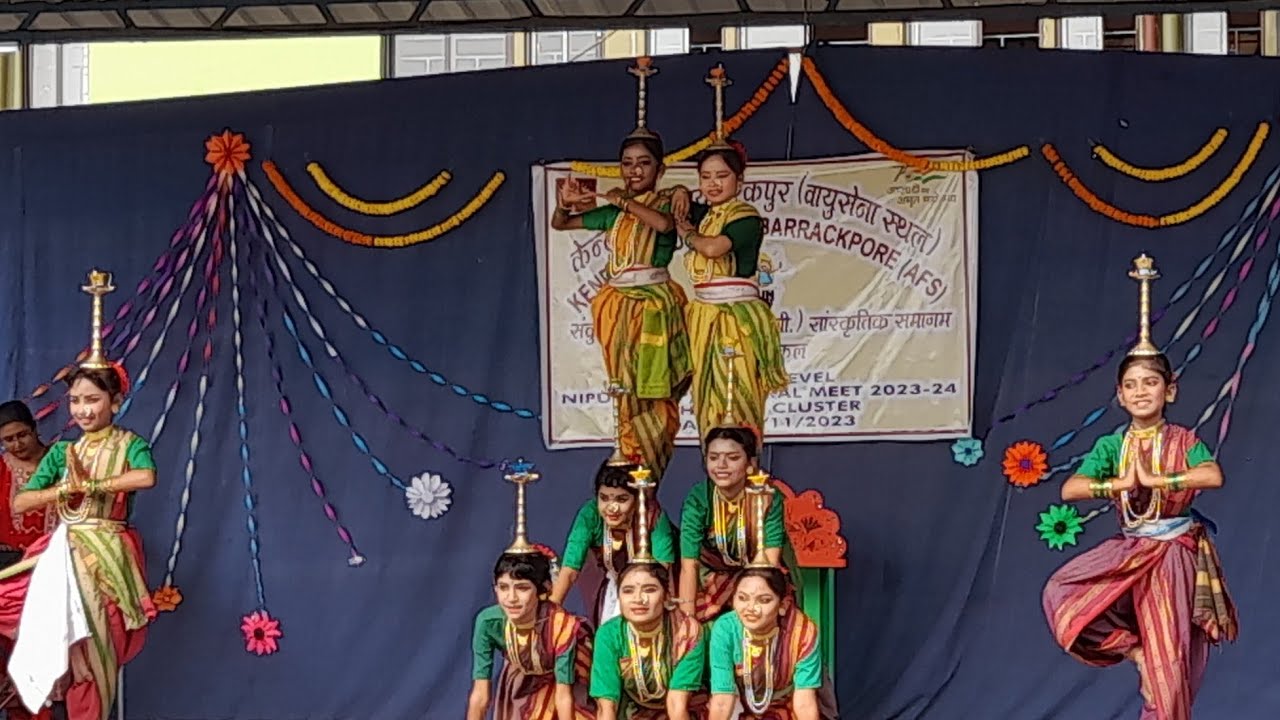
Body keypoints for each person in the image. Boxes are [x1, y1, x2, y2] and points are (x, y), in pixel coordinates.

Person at [1042, 256, 1237, 720]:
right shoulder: (1114, 443)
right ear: (1119, 395)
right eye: (1131, 385)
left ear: (1170, 390)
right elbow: (1072, 488)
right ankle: (1135, 652)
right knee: (1061, 591)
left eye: (1151, 382)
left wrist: (1159, 479)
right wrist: (1116, 484)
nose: (1141, 391)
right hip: (1131, 548)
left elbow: (1213, 476)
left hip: (1173, 555)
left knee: (1171, 664)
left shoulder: (1181, 439)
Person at [551, 58, 692, 482]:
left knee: (657, 399)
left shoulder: (668, 201)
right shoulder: (613, 214)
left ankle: (650, 472)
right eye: (627, 163)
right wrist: (566, 201)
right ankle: (629, 472)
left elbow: (665, 226)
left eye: (643, 163)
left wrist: (625, 201)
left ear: (660, 170)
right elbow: (562, 225)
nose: (634, 171)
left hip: (655, 309)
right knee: (626, 396)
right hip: (619, 311)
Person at [0, 361, 158, 720]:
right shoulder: (62, 453)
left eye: (92, 399)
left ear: (115, 401)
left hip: (109, 555)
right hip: (63, 551)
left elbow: (146, 476)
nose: (83, 410)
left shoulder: (130, 444)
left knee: (98, 648)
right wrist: (62, 489)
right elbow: (22, 501)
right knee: (61, 640)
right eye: (75, 401)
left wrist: (93, 486)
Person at [673, 100, 787, 443]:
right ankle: (716, 483)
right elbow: (667, 201)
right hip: (703, 317)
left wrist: (687, 233)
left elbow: (712, 248)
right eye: (705, 177)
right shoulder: (705, 212)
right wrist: (679, 190)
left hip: (735, 320)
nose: (713, 184)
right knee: (707, 406)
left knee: (736, 404)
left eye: (721, 176)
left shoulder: (745, 216)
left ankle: (747, 483)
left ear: (739, 179)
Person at [676, 426, 797, 622]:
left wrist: (754, 604)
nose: (721, 465)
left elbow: (770, 561)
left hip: (762, 578)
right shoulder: (699, 499)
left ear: (751, 463)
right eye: (713, 458)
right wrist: (687, 619)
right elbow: (690, 564)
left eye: (732, 458)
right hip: (711, 580)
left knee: (779, 621)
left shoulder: (766, 497)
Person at [468, 550, 597, 720]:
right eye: (504, 587)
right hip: (523, 682)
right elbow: (480, 694)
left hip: (570, 683)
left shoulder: (560, 627)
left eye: (522, 588)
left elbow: (563, 695)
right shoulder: (488, 622)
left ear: (543, 589)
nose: (511, 598)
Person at [550, 460, 679, 628]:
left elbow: (662, 569)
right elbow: (570, 570)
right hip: (617, 587)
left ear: (637, 499)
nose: (612, 507)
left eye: (621, 499)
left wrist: (641, 600)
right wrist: (549, 613)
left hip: (655, 589)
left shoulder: (652, 516)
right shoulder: (590, 514)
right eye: (604, 498)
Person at [706, 568, 834, 720]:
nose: (750, 608)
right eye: (742, 598)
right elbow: (722, 699)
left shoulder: (802, 633)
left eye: (764, 600)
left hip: (791, 708)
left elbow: (804, 702)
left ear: (783, 605)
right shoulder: (725, 629)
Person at [590, 563, 708, 720]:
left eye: (650, 590)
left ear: (666, 595)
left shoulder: (687, 632)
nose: (638, 599)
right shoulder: (608, 634)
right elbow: (607, 705)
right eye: (628, 591)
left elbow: (677, 704)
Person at [0, 401, 56, 566]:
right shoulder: (2, 469)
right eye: (9, 440)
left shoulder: (60, 461)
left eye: (22, 435)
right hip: (9, 562)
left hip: (56, 557)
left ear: (34, 429)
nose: (17, 444)